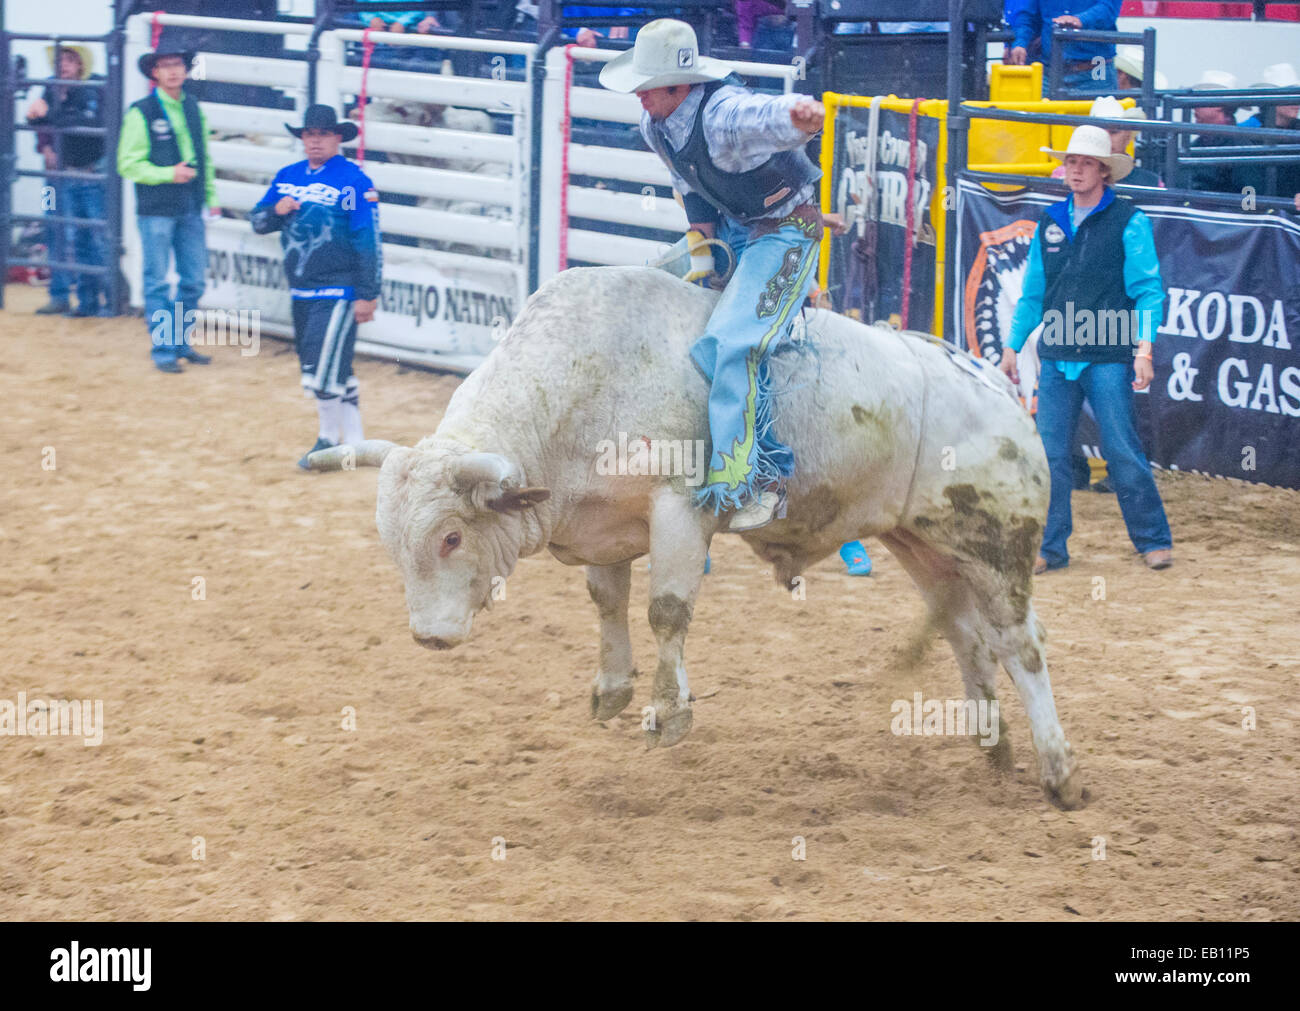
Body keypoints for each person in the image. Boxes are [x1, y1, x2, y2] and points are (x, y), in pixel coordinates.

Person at [599, 18, 825, 531]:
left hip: (785, 231)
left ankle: (753, 478)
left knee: (731, 342)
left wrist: (800, 115)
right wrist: (705, 258)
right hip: (735, 228)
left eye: (648, 87)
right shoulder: (656, 125)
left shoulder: (722, 115)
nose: (640, 96)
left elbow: (763, 116)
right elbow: (692, 190)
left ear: (679, 87)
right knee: (685, 321)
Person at [1000, 125, 1172, 573]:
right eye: (1071, 162)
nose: (1076, 170)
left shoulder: (1129, 220)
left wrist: (1144, 349)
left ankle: (1153, 538)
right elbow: (1034, 293)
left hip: (1109, 352)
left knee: (1120, 448)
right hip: (1057, 351)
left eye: (1085, 164)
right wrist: (1012, 345)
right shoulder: (1050, 221)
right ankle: (1050, 546)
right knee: (1051, 454)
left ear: (1103, 171)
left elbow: (1148, 291)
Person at [249, 105, 382, 470]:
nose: (315, 141)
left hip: (339, 288)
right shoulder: (287, 176)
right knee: (334, 366)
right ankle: (356, 443)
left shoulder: (354, 181)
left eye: (322, 134)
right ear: (302, 138)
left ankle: (327, 441)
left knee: (322, 367)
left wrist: (367, 293)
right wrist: (277, 209)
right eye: (309, 134)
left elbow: (367, 239)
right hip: (301, 288)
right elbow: (257, 222)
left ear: (337, 138)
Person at [117, 49, 216, 373]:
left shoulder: (192, 106)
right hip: (157, 207)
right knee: (158, 281)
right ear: (155, 73)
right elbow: (127, 163)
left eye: (178, 65)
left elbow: (205, 156)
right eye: (166, 66)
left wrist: (210, 196)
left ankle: (177, 342)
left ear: (186, 71)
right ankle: (164, 348)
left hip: (189, 202)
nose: (173, 71)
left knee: (193, 281)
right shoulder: (141, 112)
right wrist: (167, 173)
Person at [26, 44, 106, 317]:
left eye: (70, 60)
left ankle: (96, 296)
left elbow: (53, 119)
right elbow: (38, 122)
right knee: (53, 227)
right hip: (53, 176)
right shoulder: (50, 87)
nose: (64, 65)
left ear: (80, 65)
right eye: (60, 60)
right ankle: (60, 295)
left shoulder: (90, 89)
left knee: (91, 233)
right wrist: (45, 145)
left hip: (80, 171)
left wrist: (44, 118)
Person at [1007, 0, 1121, 96]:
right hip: (1051, 73)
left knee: (1097, 120)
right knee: (1043, 120)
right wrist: (1020, 43)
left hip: (1094, 71)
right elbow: (1028, 16)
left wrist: (1081, 20)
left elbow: (1109, 8)